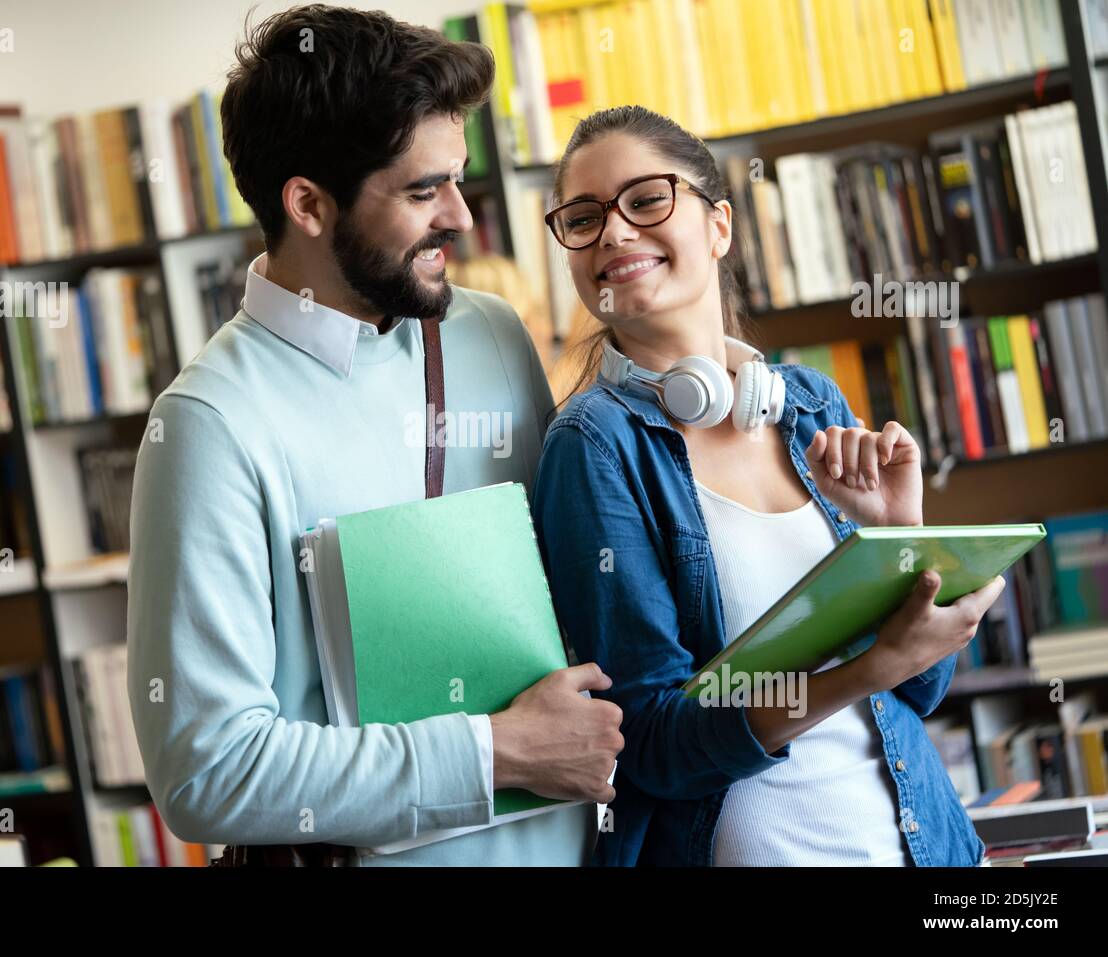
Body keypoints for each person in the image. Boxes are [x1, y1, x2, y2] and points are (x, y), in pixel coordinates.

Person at [125, 5, 620, 867]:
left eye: (457, 179)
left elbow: (585, 585)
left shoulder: (492, 334)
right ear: (309, 204)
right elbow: (204, 768)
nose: (462, 218)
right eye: (423, 190)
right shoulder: (209, 424)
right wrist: (496, 750)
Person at [531, 105, 1005, 867]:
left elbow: (917, 692)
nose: (614, 233)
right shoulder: (594, 445)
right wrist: (864, 669)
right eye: (583, 218)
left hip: (933, 851)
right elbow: (650, 743)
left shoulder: (810, 402)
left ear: (719, 226)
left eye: (647, 200)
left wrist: (901, 535)